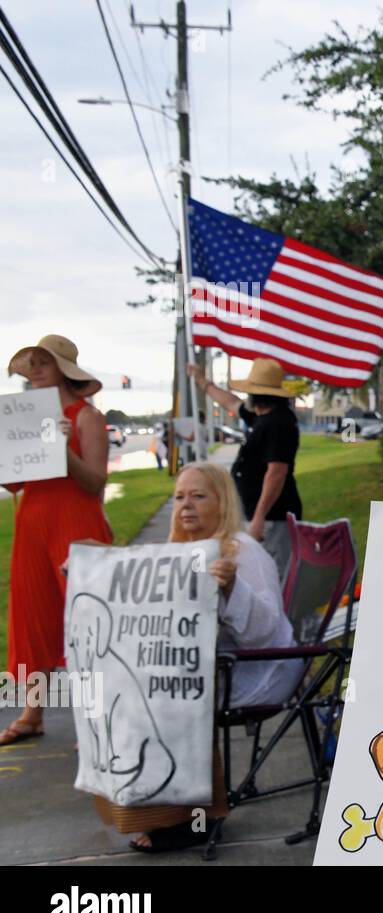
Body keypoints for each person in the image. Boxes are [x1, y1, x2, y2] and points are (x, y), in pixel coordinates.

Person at [98, 462, 303, 852]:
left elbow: (263, 631)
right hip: (210, 668)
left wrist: (231, 589)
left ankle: (194, 819)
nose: (185, 505)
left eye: (198, 496)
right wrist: (89, 577)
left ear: (221, 502)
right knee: (138, 682)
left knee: (169, 689)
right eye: (178, 497)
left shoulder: (244, 551)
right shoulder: (176, 555)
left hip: (259, 667)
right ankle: (159, 812)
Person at [1, 335, 113, 747]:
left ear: (63, 369)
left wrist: (61, 450)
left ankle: (98, 715)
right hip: (32, 521)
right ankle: (32, 715)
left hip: (74, 521)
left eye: (41, 364)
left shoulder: (85, 416)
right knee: (30, 615)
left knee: (86, 618)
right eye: (29, 366)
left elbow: (96, 481)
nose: (33, 372)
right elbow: (13, 481)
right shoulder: (23, 418)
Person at [187, 358, 302, 581]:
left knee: (271, 576)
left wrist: (259, 518)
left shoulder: (278, 423)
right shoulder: (262, 417)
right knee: (255, 572)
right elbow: (230, 402)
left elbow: (276, 473)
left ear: (256, 395)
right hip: (257, 514)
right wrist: (203, 382)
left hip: (272, 518)